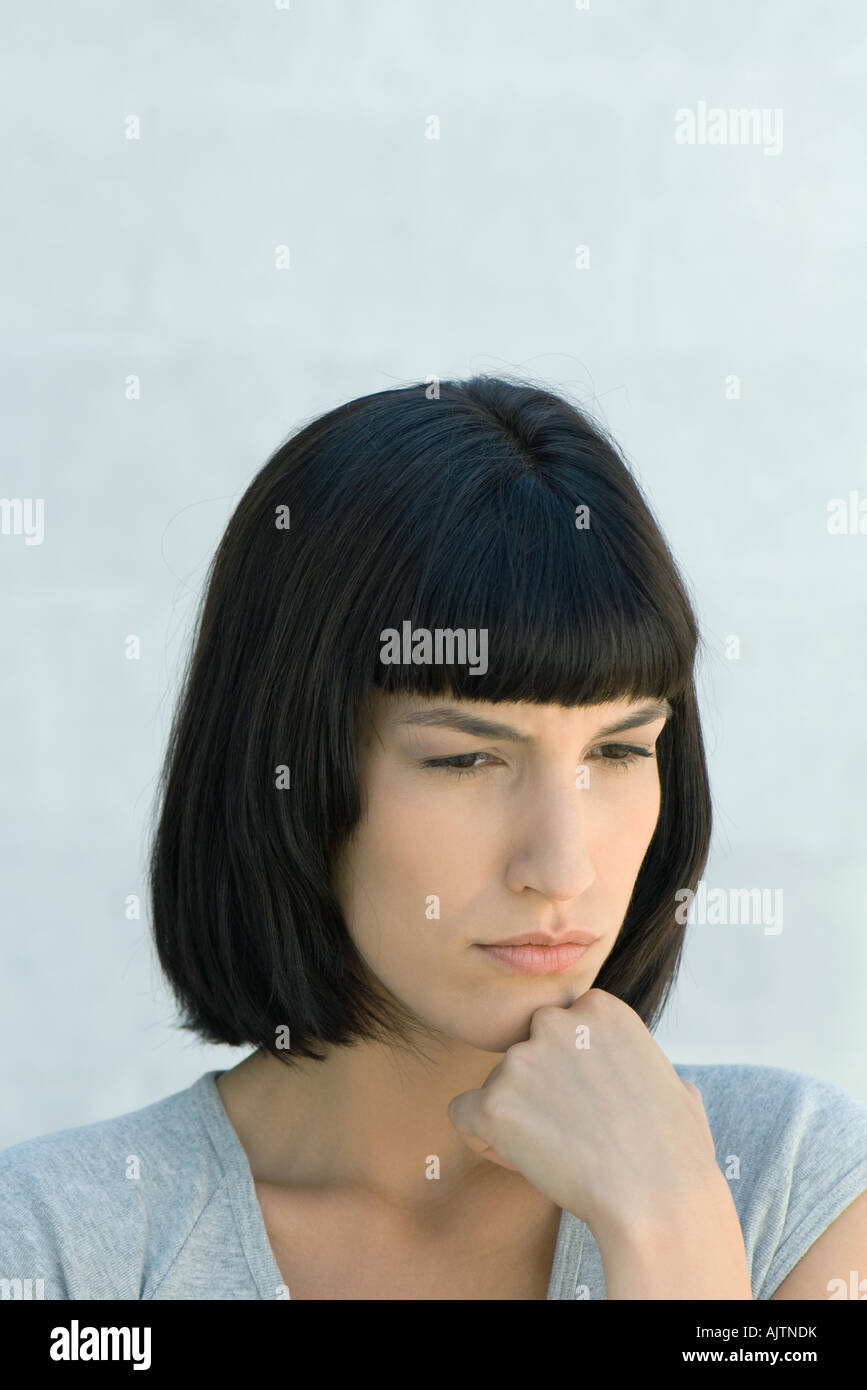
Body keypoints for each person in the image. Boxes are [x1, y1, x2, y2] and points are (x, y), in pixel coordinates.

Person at [2, 375, 866, 1300]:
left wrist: (667, 1229)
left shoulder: (788, 1189)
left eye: (617, 751)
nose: (562, 868)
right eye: (465, 760)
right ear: (284, 766)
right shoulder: (55, 1247)